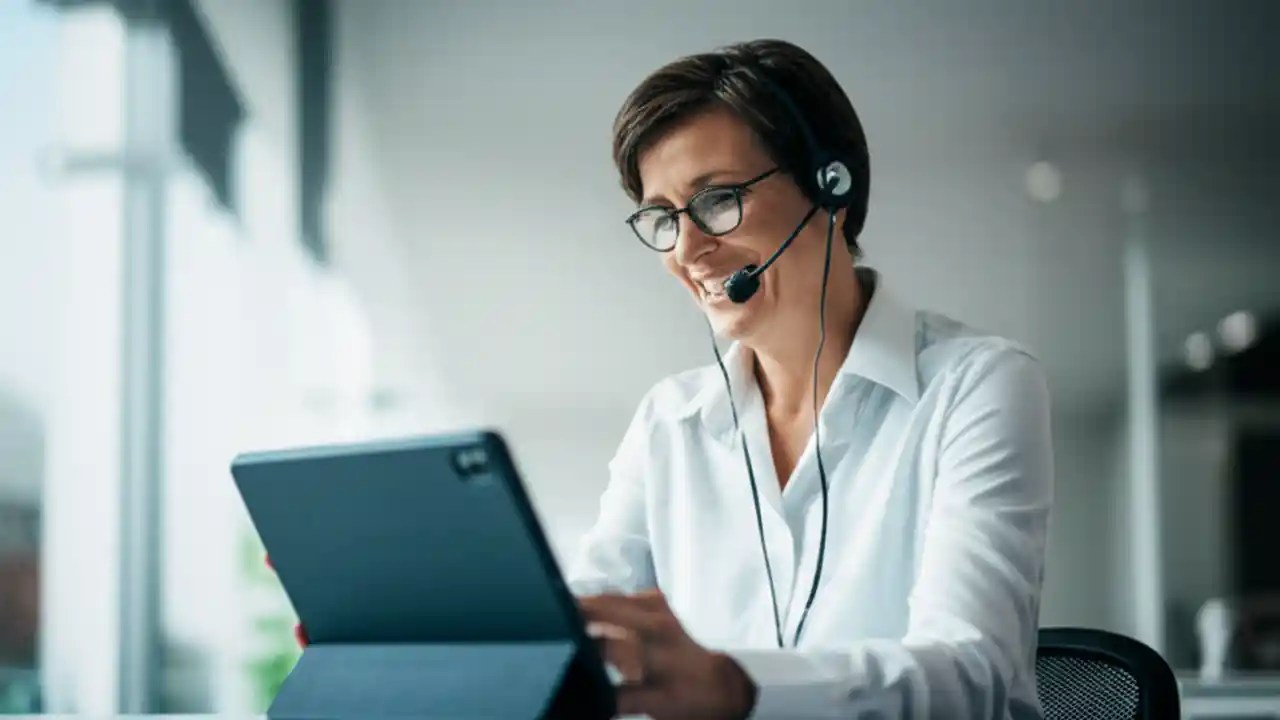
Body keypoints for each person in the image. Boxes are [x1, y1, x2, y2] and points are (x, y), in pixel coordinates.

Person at [569, 39, 1054, 719]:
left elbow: (969, 673)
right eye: (663, 217)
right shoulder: (668, 423)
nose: (686, 251)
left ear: (831, 188)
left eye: (716, 200)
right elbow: (580, 628)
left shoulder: (977, 385)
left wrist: (737, 689)